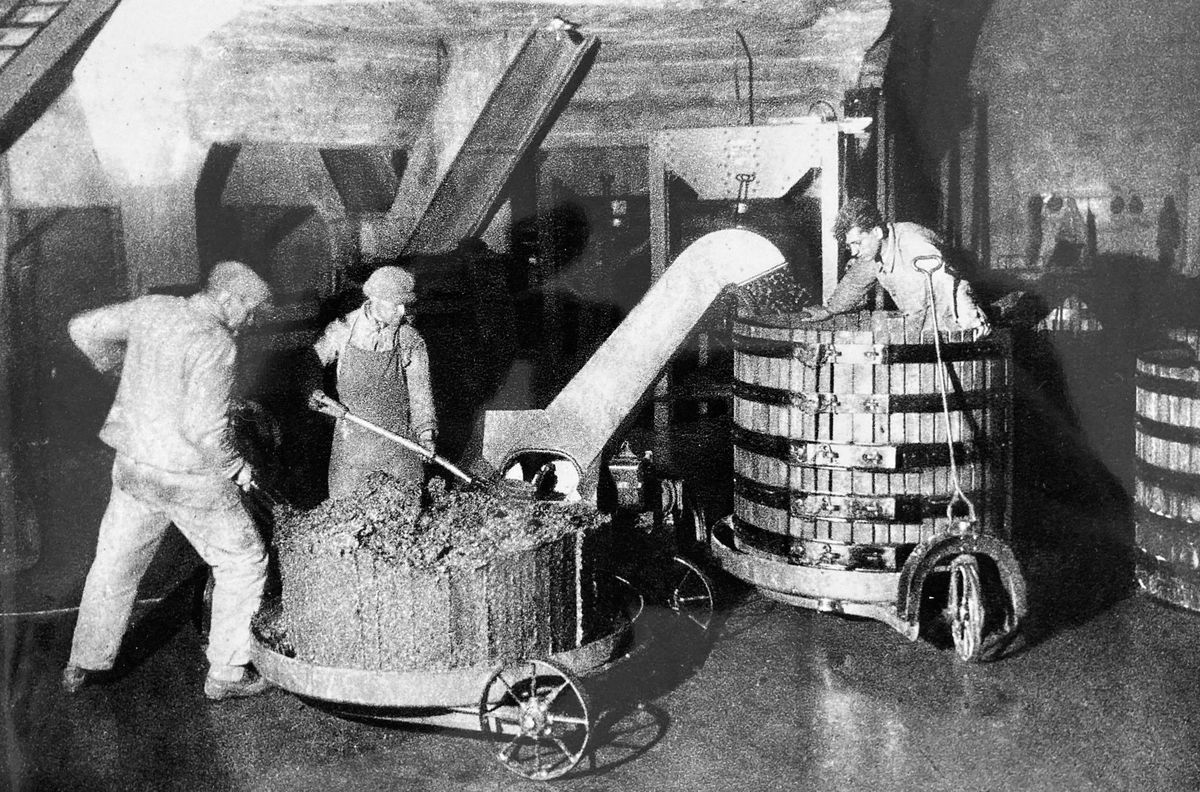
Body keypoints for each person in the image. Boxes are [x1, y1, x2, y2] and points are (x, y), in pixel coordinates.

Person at [62, 261, 274, 700]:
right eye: (249, 311)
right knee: (243, 561)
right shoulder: (217, 344)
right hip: (189, 480)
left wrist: (116, 367)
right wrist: (239, 467)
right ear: (228, 298)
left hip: (135, 467)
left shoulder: (152, 308)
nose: (249, 322)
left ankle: (82, 663)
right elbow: (205, 431)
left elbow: (82, 327)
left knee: (114, 565)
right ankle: (228, 675)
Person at [314, 265, 436, 498]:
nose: (401, 312)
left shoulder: (409, 338)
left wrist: (426, 434)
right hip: (353, 450)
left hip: (400, 449)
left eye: (405, 305)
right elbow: (309, 362)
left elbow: (420, 392)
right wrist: (313, 392)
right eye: (394, 305)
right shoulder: (343, 330)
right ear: (373, 298)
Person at [801, 198, 991, 336]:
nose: (853, 251)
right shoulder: (874, 252)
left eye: (857, 243)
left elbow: (949, 280)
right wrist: (830, 310)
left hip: (952, 326)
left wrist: (972, 320)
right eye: (850, 245)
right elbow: (855, 282)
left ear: (875, 231)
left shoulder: (912, 241)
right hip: (922, 328)